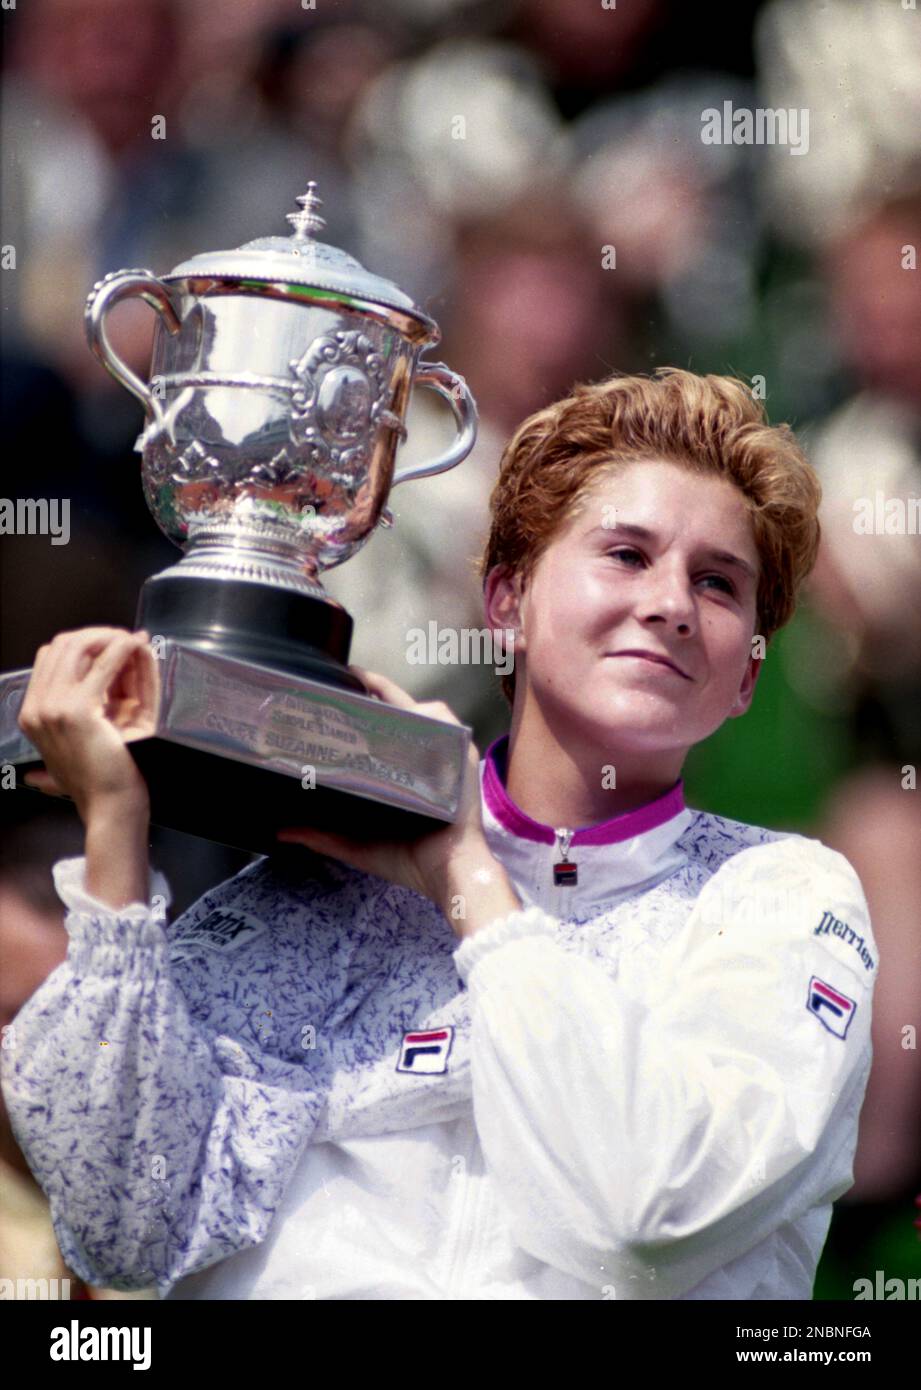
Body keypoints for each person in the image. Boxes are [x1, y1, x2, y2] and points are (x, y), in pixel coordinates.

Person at [1, 368, 878, 1301]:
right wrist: (116, 841)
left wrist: (468, 879)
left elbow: (642, 1222)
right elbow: (122, 1225)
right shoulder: (316, 886)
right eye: (625, 554)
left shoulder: (778, 897)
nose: (669, 604)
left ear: (744, 677)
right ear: (506, 603)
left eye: (716, 582)